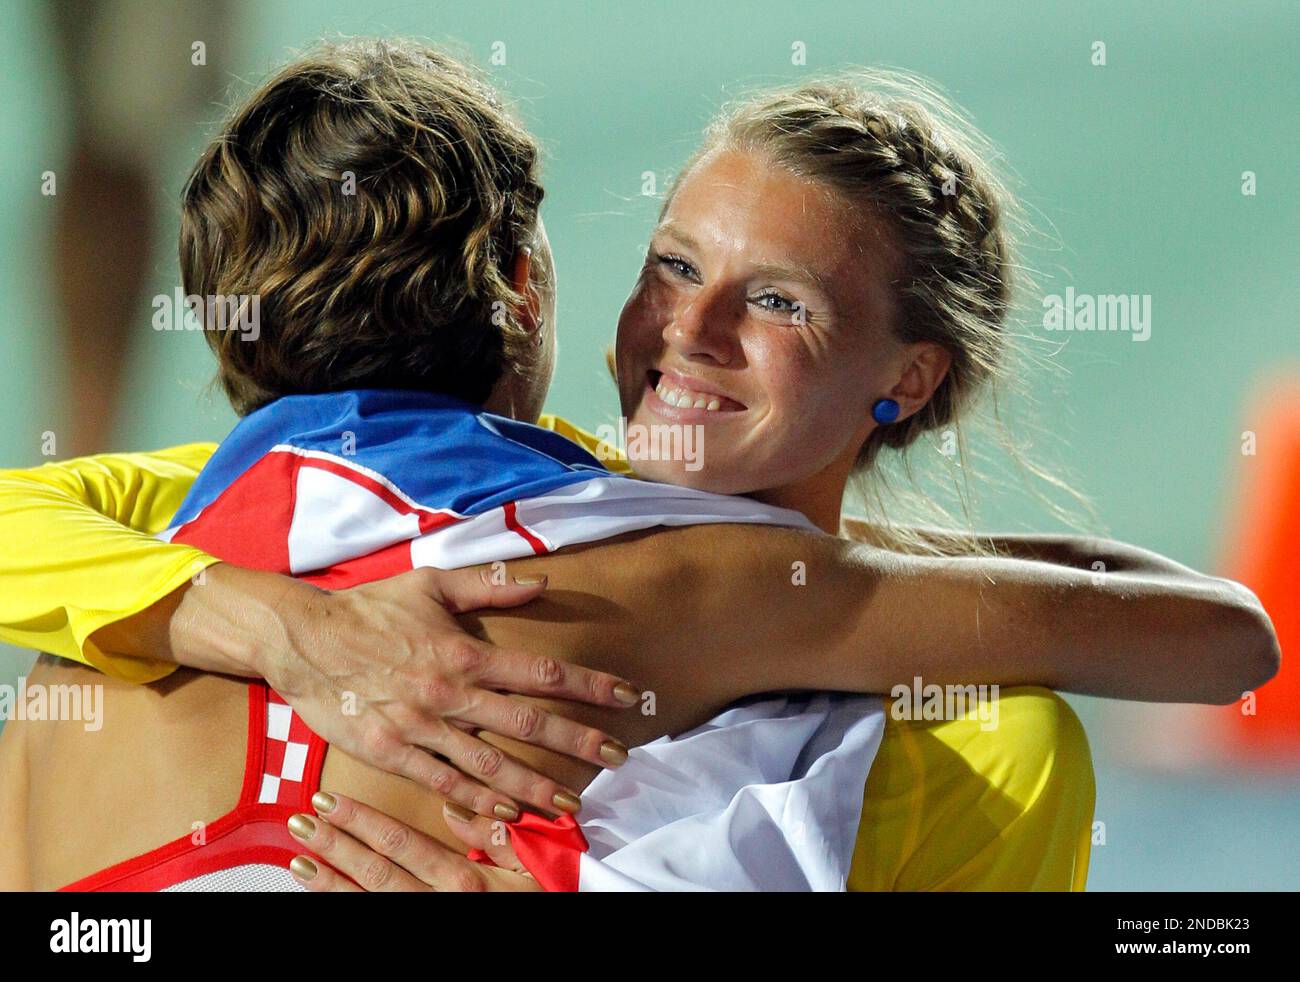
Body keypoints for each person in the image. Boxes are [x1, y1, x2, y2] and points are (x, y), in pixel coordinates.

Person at [0, 40, 1277, 891]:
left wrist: (258, 616)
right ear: (523, 282)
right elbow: (1225, 640)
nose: (690, 330)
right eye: (674, 265)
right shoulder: (668, 582)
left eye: (771, 299)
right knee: (1011, 730)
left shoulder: (106, 613)